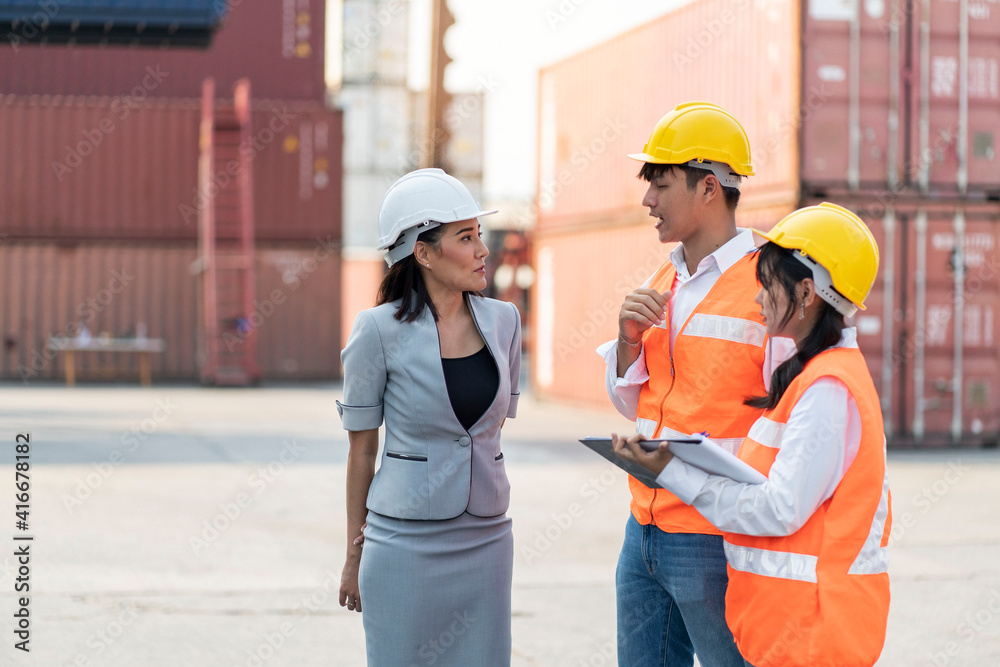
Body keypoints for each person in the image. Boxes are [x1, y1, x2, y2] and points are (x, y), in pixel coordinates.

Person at [613, 202, 891, 667]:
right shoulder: (809, 379)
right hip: (785, 620)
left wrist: (673, 473)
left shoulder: (829, 391)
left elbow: (778, 508)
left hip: (813, 628)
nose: (757, 299)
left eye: (768, 286)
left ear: (806, 294)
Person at [597, 102, 796, 667]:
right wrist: (628, 342)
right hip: (646, 527)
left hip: (717, 535)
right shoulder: (664, 278)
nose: (647, 201)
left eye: (660, 184)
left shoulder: (770, 285)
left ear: (708, 187)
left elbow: (793, 419)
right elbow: (636, 399)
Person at [337, 168, 521, 666]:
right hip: (403, 546)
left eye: (479, 235)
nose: (483, 249)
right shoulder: (375, 332)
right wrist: (354, 555)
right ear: (424, 253)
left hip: (486, 541)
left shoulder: (505, 322)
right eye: (466, 237)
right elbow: (362, 451)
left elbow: (488, 432)